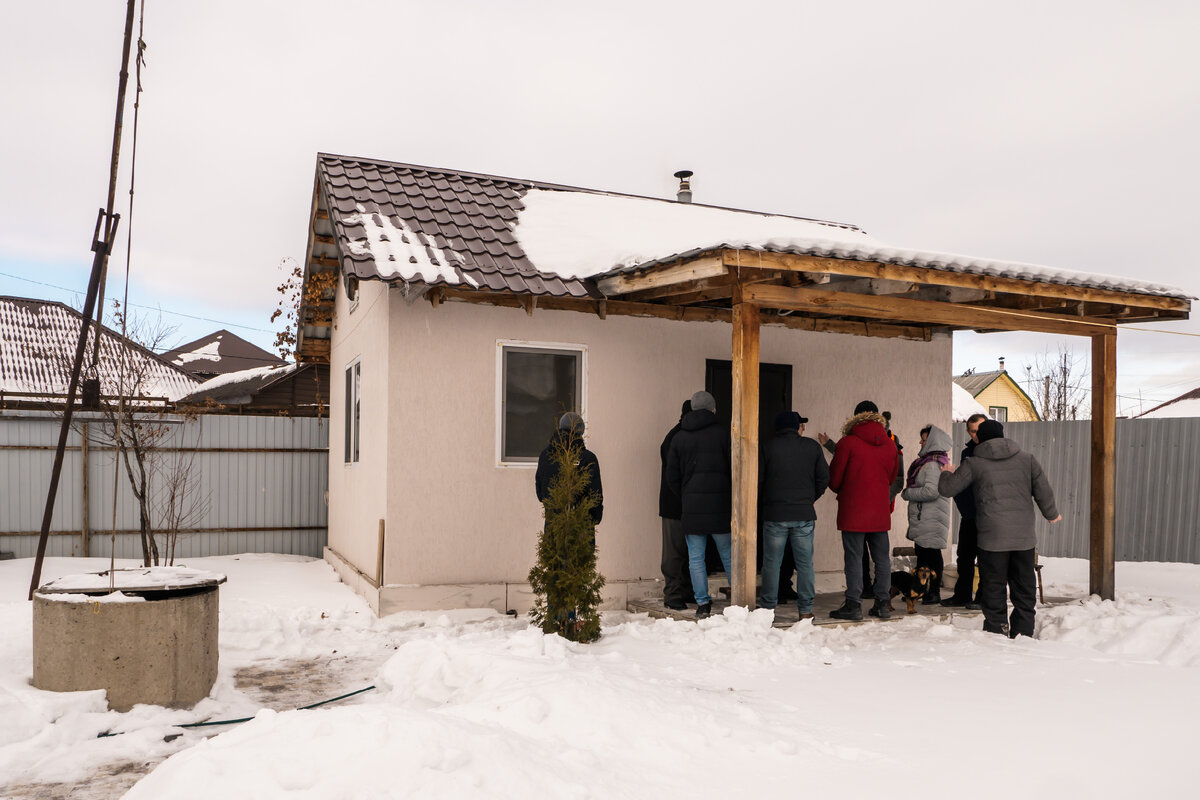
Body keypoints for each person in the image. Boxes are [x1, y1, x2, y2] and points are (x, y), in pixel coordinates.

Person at [938, 420, 1061, 638]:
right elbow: (1043, 490)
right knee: (1024, 587)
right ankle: (1023, 632)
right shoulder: (1027, 459)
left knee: (993, 586)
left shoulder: (974, 463)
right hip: (1023, 538)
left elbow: (948, 489)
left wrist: (946, 472)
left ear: (980, 438)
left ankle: (997, 630)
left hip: (991, 538)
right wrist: (1051, 514)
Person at [827, 400, 900, 621]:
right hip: (879, 510)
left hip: (853, 510)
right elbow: (891, 477)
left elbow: (835, 480)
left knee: (855, 558)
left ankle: (853, 604)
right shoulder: (890, 445)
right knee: (882, 559)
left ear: (855, 417)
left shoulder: (847, 443)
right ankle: (882, 604)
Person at [666, 390, 733, 619]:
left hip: (692, 507)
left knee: (696, 558)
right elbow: (736, 468)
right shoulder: (725, 434)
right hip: (720, 505)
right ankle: (738, 601)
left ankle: (703, 604)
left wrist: (686, 494)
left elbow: (672, 476)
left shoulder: (679, 437)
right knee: (728, 555)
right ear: (713, 409)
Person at [757, 410, 829, 619]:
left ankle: (768, 609)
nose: (804, 428)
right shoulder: (812, 447)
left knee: (771, 563)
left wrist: (766, 503)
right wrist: (808, 499)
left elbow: (758, 480)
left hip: (775, 514)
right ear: (795, 426)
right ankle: (805, 611)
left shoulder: (767, 446)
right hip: (804, 515)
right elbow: (823, 478)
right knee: (805, 564)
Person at [900, 424, 953, 603]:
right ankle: (922, 590)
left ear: (932, 442)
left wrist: (908, 493)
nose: (921, 442)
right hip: (928, 517)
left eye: (924, 440)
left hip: (931, 517)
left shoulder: (931, 464)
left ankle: (933, 592)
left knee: (930, 555)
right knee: (924, 554)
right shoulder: (933, 462)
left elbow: (932, 491)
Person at [942, 413, 986, 609]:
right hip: (969, 514)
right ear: (968, 431)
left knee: (985, 557)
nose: (977, 434)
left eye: (980, 430)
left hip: (987, 515)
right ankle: (962, 595)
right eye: (973, 430)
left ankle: (983, 598)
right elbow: (963, 482)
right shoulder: (967, 452)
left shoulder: (993, 451)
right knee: (964, 556)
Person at [535, 412, 603, 528]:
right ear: (580, 432)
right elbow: (595, 497)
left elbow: (541, 494)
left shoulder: (545, 456)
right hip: (581, 530)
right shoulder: (587, 459)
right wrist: (593, 519)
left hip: (553, 529)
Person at [658, 400, 693, 610]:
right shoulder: (676, 437)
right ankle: (672, 594)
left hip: (680, 502)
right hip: (674, 504)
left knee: (688, 551)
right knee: (674, 552)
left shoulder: (675, 435)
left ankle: (685, 590)